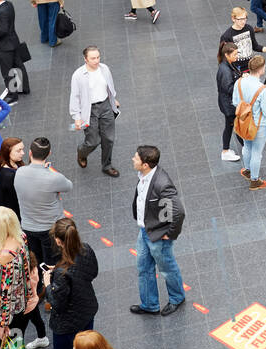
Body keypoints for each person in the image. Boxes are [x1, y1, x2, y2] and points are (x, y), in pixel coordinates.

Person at [130, 145, 186, 316]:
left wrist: (170, 234)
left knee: (167, 269)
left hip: (159, 235)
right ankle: (149, 304)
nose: (133, 159)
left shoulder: (162, 183)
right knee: (143, 267)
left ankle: (177, 298)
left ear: (145, 164)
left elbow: (179, 211)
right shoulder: (144, 175)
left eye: (136, 158)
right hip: (145, 230)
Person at [43, 218, 99, 349]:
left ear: (59, 241)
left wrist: (47, 285)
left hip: (66, 325)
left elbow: (57, 304)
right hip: (87, 312)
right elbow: (92, 272)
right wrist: (58, 269)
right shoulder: (86, 249)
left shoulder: (62, 273)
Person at [0, 206, 49, 349]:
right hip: (23, 300)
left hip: (11, 311)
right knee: (16, 342)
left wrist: (2, 324)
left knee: (6, 346)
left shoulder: (5, 257)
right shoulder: (21, 237)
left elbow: (5, 294)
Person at [14, 137, 73, 268]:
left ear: (30, 153)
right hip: (50, 228)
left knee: (35, 259)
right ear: (49, 153)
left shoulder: (19, 172)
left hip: (28, 226)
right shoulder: (54, 178)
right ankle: (51, 283)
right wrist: (48, 171)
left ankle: (39, 281)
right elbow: (69, 186)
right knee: (53, 262)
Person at [70, 46, 121, 177]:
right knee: (93, 141)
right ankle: (82, 152)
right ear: (85, 59)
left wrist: (113, 99)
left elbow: (109, 85)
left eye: (98, 57)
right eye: (93, 58)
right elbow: (74, 96)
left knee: (108, 139)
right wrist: (76, 117)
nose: (97, 60)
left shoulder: (104, 69)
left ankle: (107, 166)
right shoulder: (78, 75)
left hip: (105, 106)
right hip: (89, 110)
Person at [233, 54, 266, 189]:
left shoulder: (239, 82)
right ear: (261, 69)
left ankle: (247, 170)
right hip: (259, 125)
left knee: (246, 147)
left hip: (243, 122)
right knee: (257, 152)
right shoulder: (263, 89)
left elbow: (235, 102)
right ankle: (255, 180)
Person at [0, 0, 30, 99]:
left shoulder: (2, 11)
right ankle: (24, 88)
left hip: (5, 45)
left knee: (6, 70)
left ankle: (12, 94)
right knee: (18, 65)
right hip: (14, 41)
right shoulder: (9, 4)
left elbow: (3, 30)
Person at [217, 41, 245, 163]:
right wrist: (241, 82)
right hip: (229, 105)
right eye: (234, 54)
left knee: (230, 126)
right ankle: (243, 147)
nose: (236, 56)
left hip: (227, 104)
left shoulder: (227, 65)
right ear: (227, 55)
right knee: (234, 126)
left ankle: (227, 150)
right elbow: (228, 88)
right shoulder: (225, 70)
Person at [0, 137, 24, 216]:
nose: (23, 153)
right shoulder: (9, 176)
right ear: (7, 153)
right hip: (14, 212)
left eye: (22, 149)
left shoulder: (11, 164)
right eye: (18, 150)